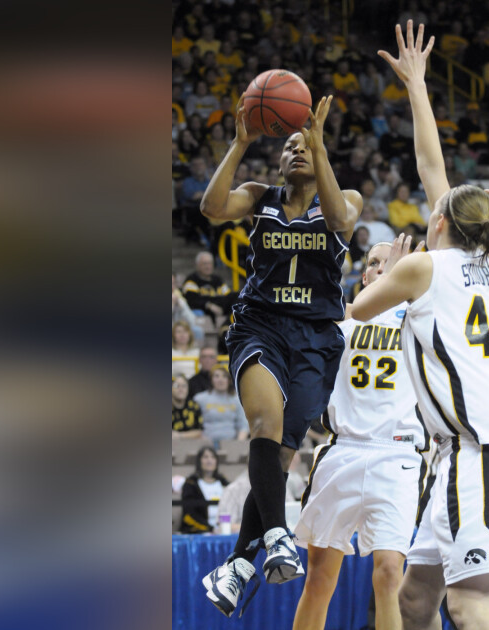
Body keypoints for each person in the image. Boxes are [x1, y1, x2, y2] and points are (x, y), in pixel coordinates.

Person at [362, 22, 489, 630]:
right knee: (414, 602)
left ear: (439, 221)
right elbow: (432, 163)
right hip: (458, 451)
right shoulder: (479, 266)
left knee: (469, 606)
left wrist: (384, 275)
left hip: (479, 447)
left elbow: (356, 311)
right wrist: (417, 86)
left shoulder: (428, 267)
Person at [198, 94, 360, 617]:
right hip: (260, 325)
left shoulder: (346, 198)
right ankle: (276, 534)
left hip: (316, 337)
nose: (296, 151)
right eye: (289, 146)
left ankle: (238, 565)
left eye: (305, 146)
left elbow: (338, 219)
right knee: (264, 426)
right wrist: (240, 142)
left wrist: (320, 146)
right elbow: (211, 208)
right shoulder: (258, 196)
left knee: (282, 458)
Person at [292, 238, 428, 630]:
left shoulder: (419, 318)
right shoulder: (342, 317)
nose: (383, 267)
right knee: (319, 577)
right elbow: (309, 308)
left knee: (389, 573)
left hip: (397, 454)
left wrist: (403, 284)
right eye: (374, 262)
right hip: (343, 450)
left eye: (393, 263)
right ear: (364, 275)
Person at [179, 446, 230, 534]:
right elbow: (189, 514)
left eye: (213, 457)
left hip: (223, 530)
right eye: (205, 457)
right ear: (199, 461)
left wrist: (225, 527)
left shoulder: (223, 482)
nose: (209, 460)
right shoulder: (190, 483)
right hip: (200, 532)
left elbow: (228, 508)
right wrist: (211, 529)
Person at [194, 365, 249, 445]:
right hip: (205, 444)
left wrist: (238, 444)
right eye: (216, 376)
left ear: (229, 380)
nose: (220, 380)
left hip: (232, 443)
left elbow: (243, 425)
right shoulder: (199, 399)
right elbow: (194, 426)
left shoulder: (237, 399)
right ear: (211, 380)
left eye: (224, 376)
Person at [172, 375, 204, 440]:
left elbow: (199, 431)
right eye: (176, 386)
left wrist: (179, 435)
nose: (180, 389)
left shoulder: (194, 406)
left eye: (184, 386)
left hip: (191, 443)